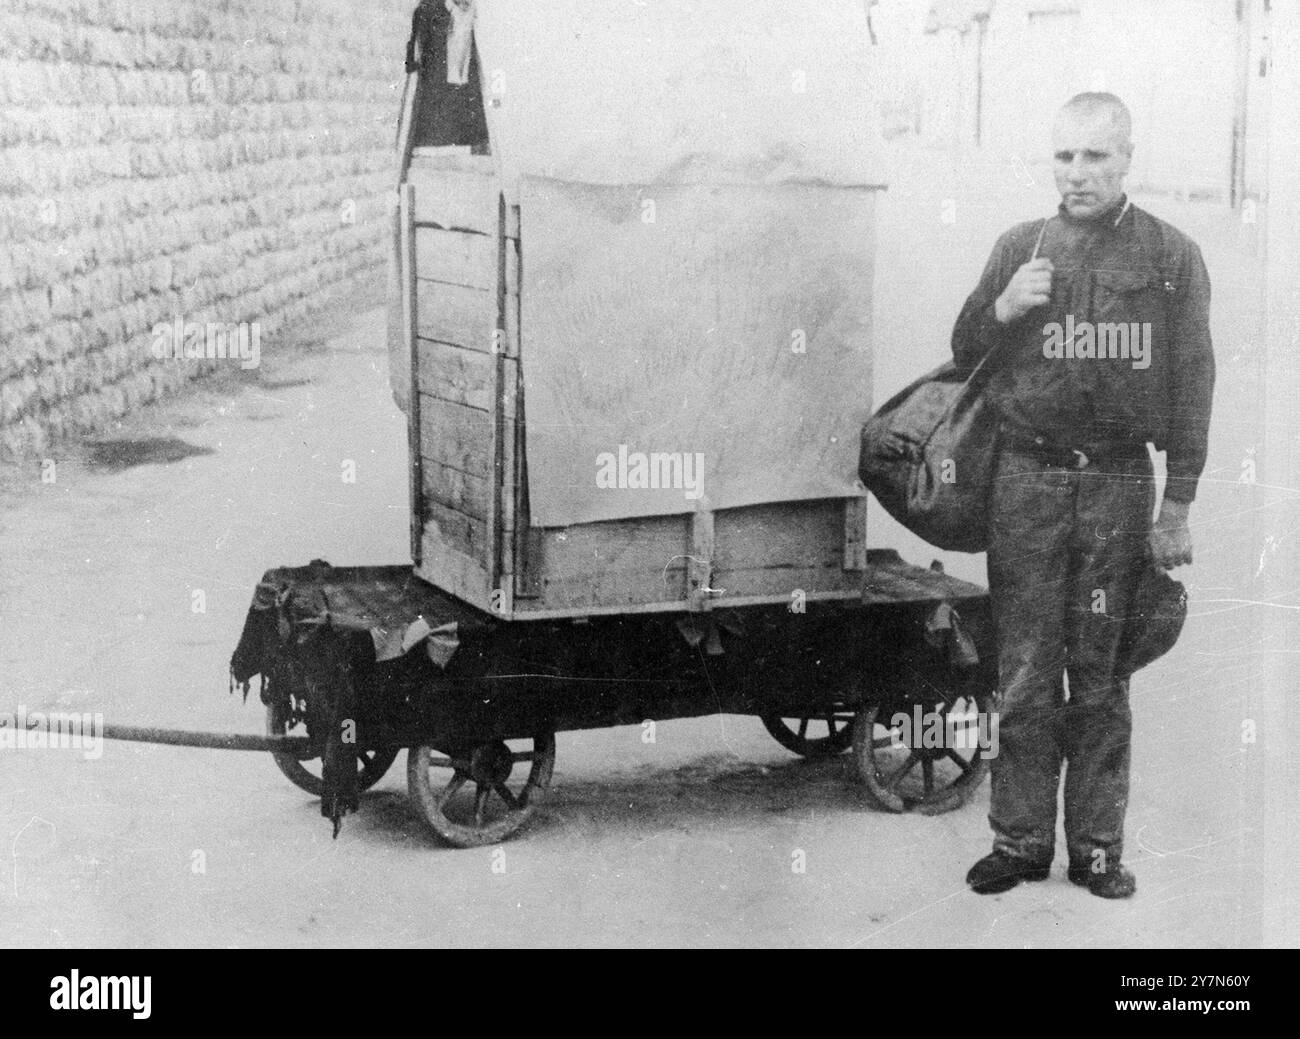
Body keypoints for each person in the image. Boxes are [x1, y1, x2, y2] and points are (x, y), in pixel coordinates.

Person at [952, 93, 1215, 898]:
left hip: (1116, 484)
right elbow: (963, 350)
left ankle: (1097, 848)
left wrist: (1178, 504)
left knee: (1100, 673)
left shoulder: (1171, 256)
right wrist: (1002, 308)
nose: (1078, 173)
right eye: (1064, 156)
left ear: (1128, 156)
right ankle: (1020, 842)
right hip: (1025, 483)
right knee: (1025, 671)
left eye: (1096, 156)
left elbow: (1192, 382)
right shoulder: (1018, 246)